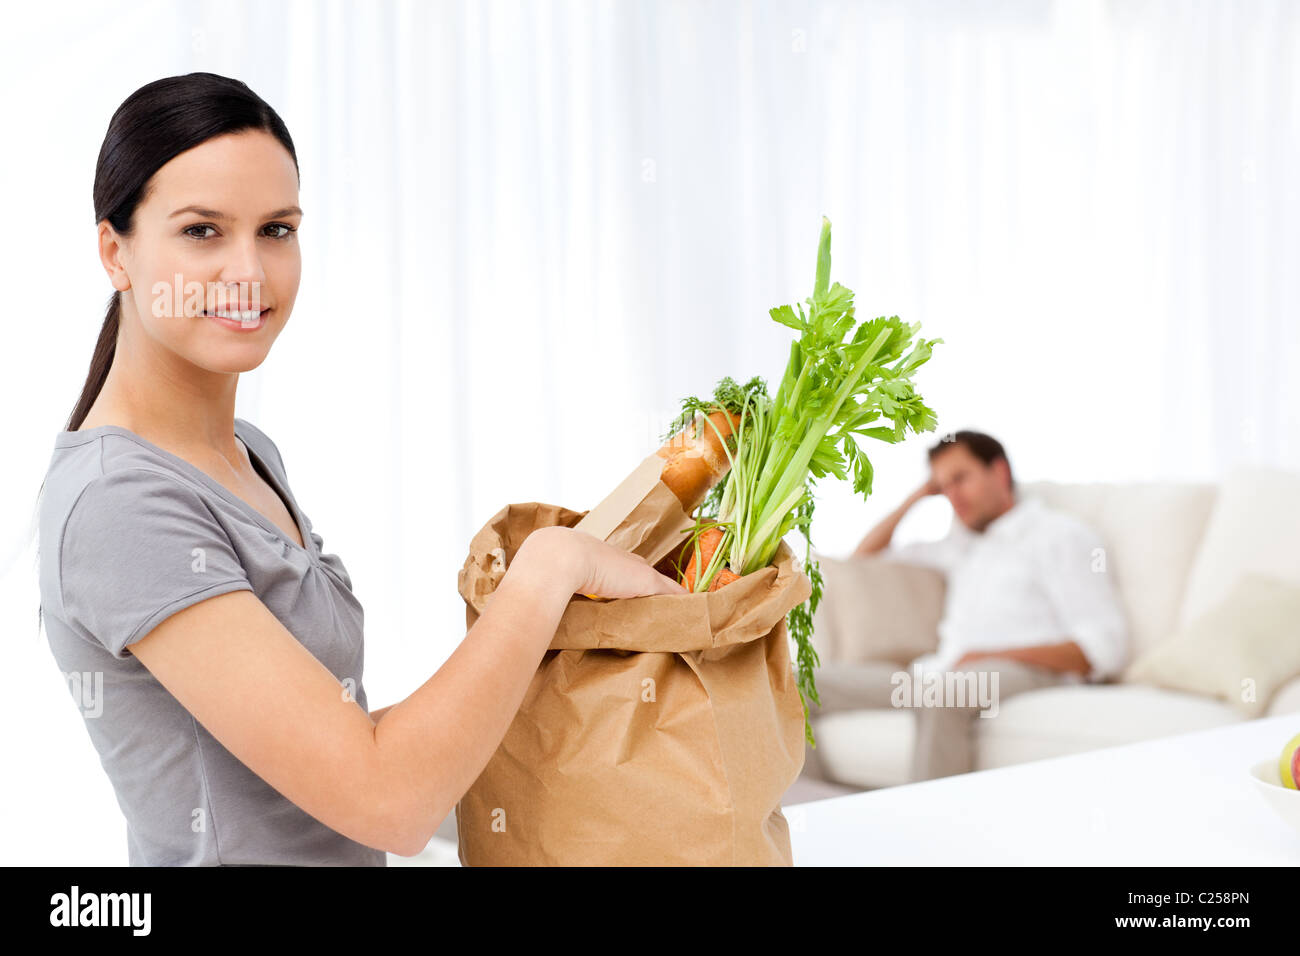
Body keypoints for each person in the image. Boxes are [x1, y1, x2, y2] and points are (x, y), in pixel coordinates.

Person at [35, 73, 686, 867]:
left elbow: (336, 772)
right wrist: (550, 569)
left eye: (276, 229)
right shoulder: (119, 502)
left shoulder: (247, 453)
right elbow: (388, 800)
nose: (249, 270)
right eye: (202, 231)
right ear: (116, 253)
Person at [803, 430, 1130, 784]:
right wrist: (917, 497)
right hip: (939, 672)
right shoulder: (959, 547)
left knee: (945, 692)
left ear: (999, 471)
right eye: (943, 487)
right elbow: (861, 561)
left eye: (960, 479)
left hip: (1028, 673)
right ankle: (813, 810)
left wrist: (990, 655)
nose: (953, 496)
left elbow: (1104, 647)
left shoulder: (1059, 536)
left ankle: (929, 819)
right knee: (794, 684)